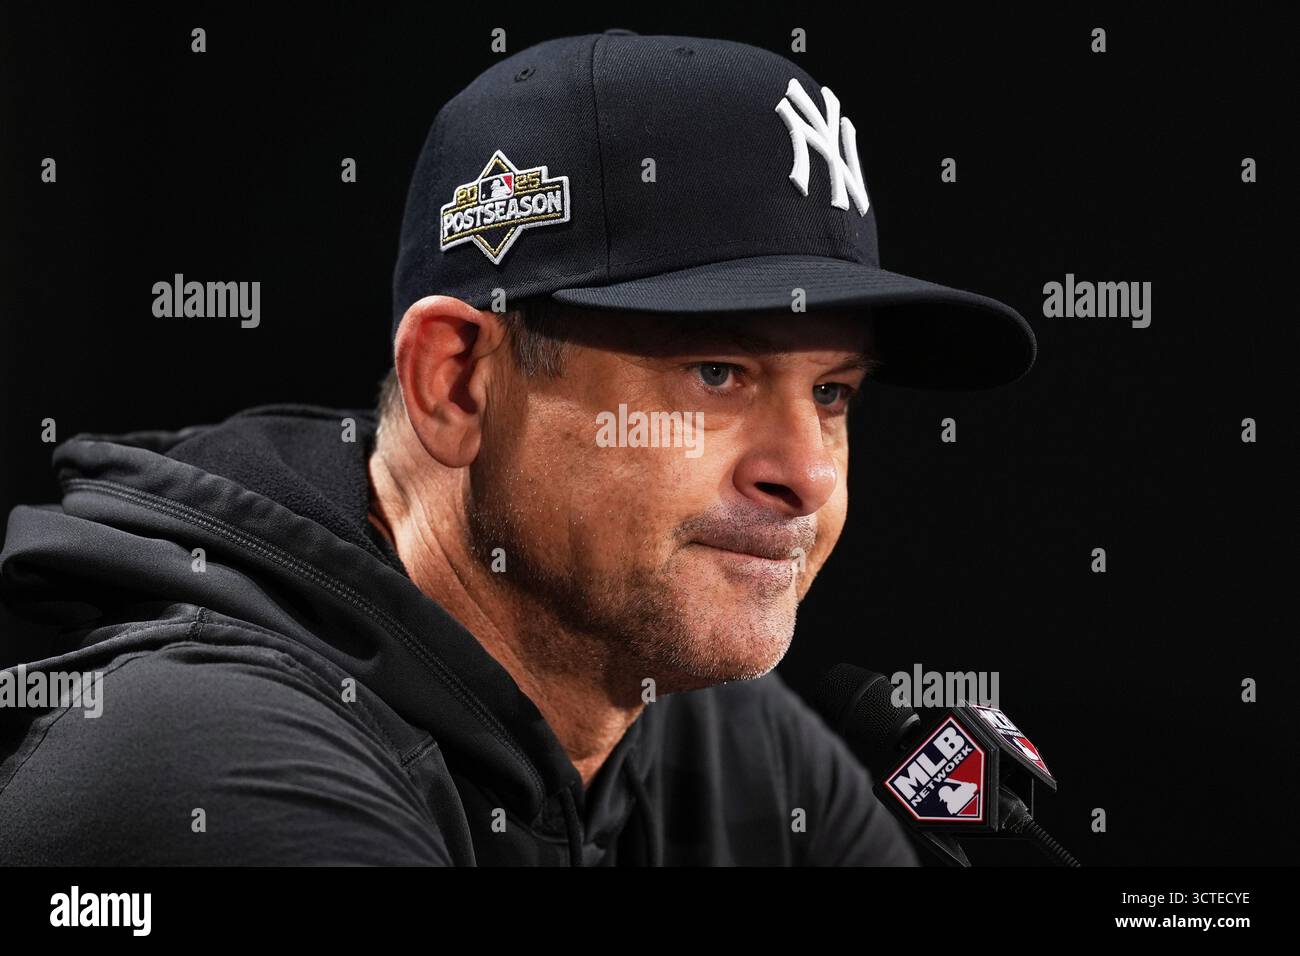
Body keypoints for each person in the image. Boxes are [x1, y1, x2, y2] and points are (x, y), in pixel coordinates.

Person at [0, 31, 1035, 865]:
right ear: (458, 382)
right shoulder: (202, 758)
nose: (805, 470)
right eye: (717, 374)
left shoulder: (725, 741)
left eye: (832, 391)